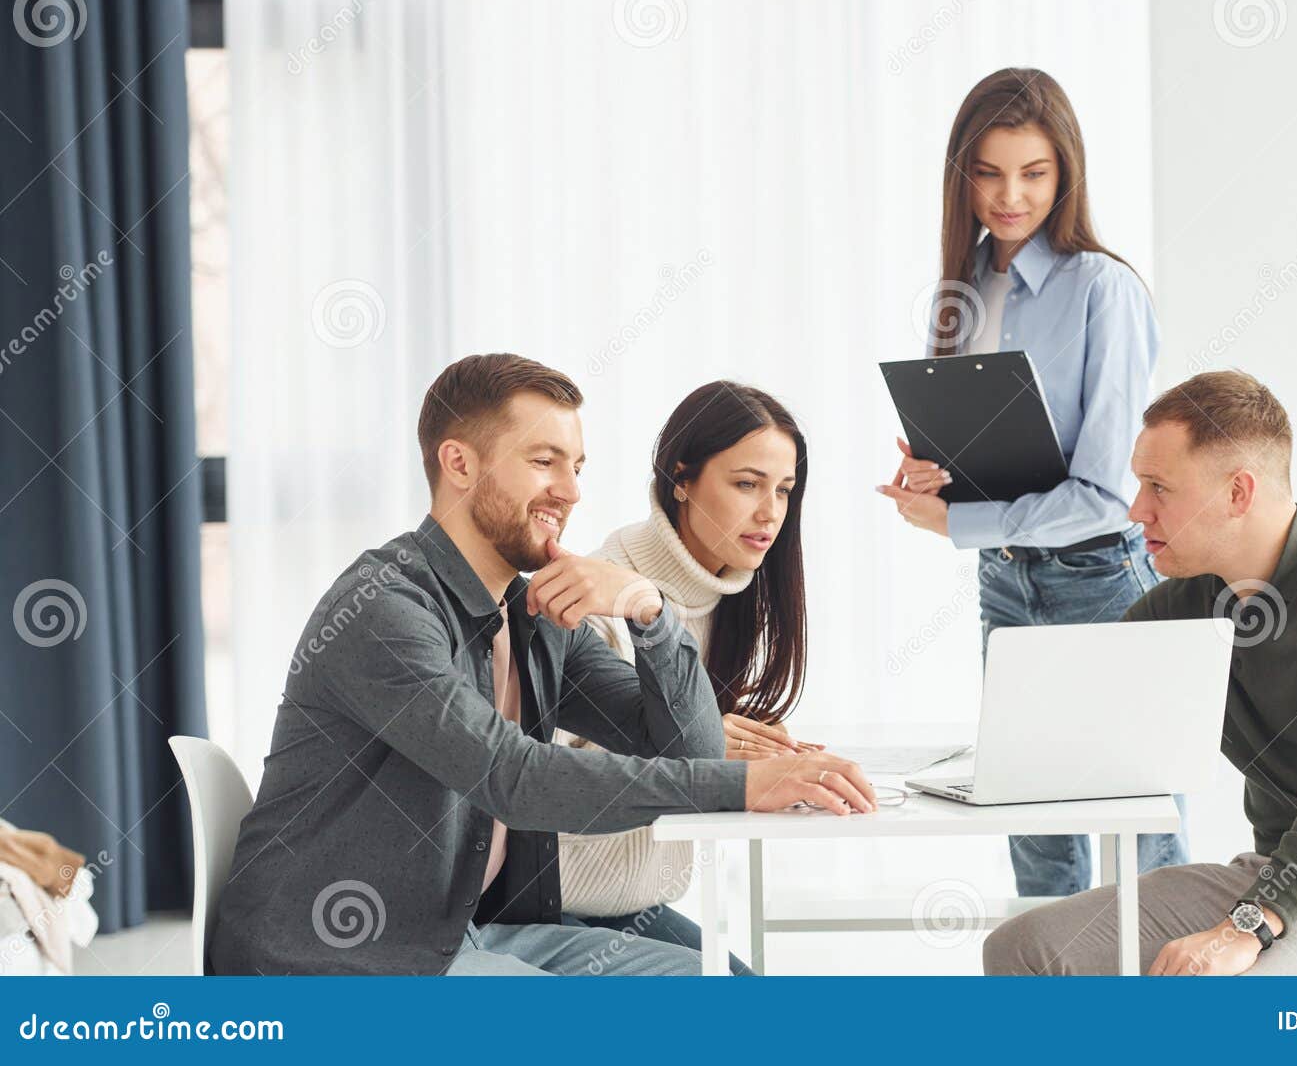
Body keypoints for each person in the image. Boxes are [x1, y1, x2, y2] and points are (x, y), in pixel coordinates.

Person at [209, 354, 873, 976]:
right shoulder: (384, 607)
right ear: (458, 463)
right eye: (545, 461)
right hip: (345, 958)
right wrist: (750, 783)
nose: (572, 490)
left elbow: (685, 748)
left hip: (465, 931)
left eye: (577, 465)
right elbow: (513, 777)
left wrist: (648, 611)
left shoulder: (532, 612)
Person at [876, 66, 1186, 897]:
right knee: (1038, 831)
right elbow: (993, 460)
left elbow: (1105, 492)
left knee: (1140, 834)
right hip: (1007, 582)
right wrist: (934, 481)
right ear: (962, 175)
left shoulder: (1104, 291)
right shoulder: (961, 290)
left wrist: (960, 525)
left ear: (1066, 173)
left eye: (1034, 173)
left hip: (1102, 581)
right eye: (987, 172)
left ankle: (1173, 1019)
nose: (1009, 195)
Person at [984, 370, 1297, 976]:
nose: (1135, 509)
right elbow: (1068, 712)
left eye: (1158, 487)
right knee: (1024, 950)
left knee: (1207, 991)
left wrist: (1245, 929)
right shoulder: (1189, 600)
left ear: (1238, 493)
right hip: (1273, 877)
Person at [555, 381, 813, 973]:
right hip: (555, 904)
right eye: (746, 484)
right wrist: (702, 751)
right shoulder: (602, 596)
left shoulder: (728, 597)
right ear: (681, 478)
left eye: (784, 489)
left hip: (633, 904)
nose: (770, 512)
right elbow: (535, 778)